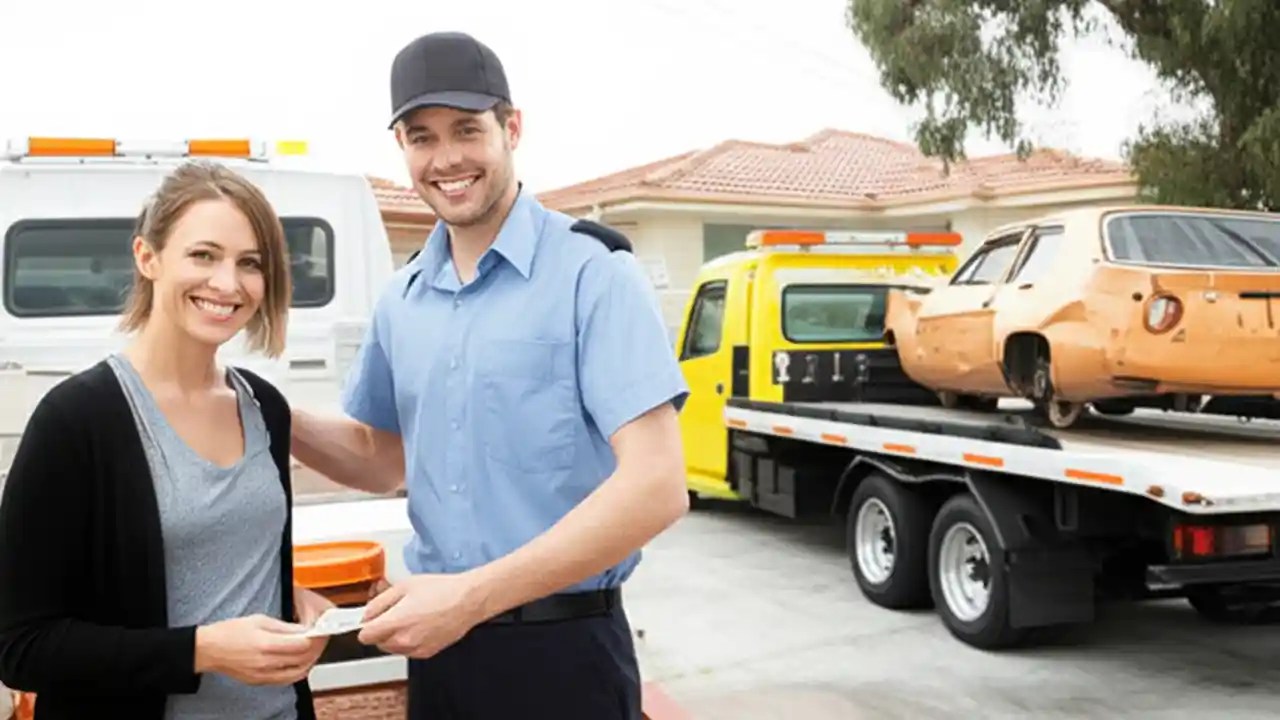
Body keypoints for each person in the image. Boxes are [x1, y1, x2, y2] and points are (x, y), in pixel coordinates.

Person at [288, 30, 690, 719]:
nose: (445, 159)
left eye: (466, 130)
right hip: (440, 658)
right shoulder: (403, 297)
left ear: (512, 129)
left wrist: (470, 598)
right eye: (421, 137)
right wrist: (269, 413)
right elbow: (383, 457)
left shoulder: (593, 274)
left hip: (566, 655)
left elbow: (656, 487)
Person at [0, 160, 332, 720]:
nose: (228, 284)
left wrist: (294, 600)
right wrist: (201, 651)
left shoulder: (264, 408)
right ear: (147, 257)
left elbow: (220, 563)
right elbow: (20, 646)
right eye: (203, 255)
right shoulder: (76, 420)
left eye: (250, 263)